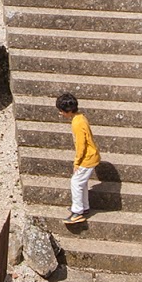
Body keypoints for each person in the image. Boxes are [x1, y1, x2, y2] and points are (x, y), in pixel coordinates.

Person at [55, 91, 101, 225]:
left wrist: (77, 162)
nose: (60, 113)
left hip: (87, 158)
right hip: (91, 156)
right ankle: (84, 207)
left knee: (75, 182)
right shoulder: (80, 118)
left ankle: (77, 212)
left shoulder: (77, 123)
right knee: (82, 183)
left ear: (68, 111)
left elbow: (81, 145)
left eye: (61, 111)